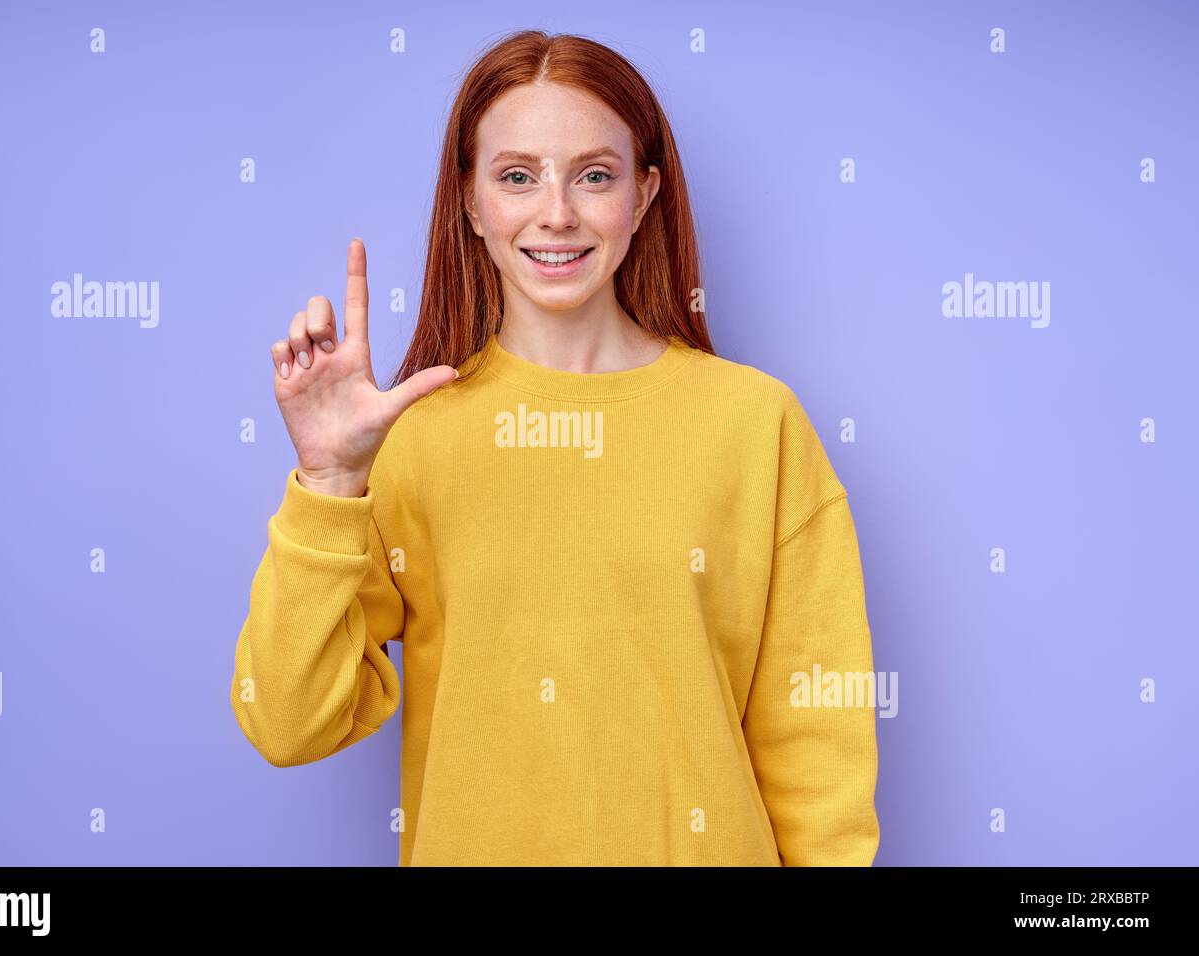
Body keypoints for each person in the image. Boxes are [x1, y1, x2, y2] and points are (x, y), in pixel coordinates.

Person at [230, 29, 880, 866]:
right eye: (516, 176)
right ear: (469, 201)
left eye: (595, 175)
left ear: (644, 196)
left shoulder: (756, 425)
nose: (557, 212)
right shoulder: (410, 441)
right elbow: (287, 723)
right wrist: (328, 479)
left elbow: (817, 747)